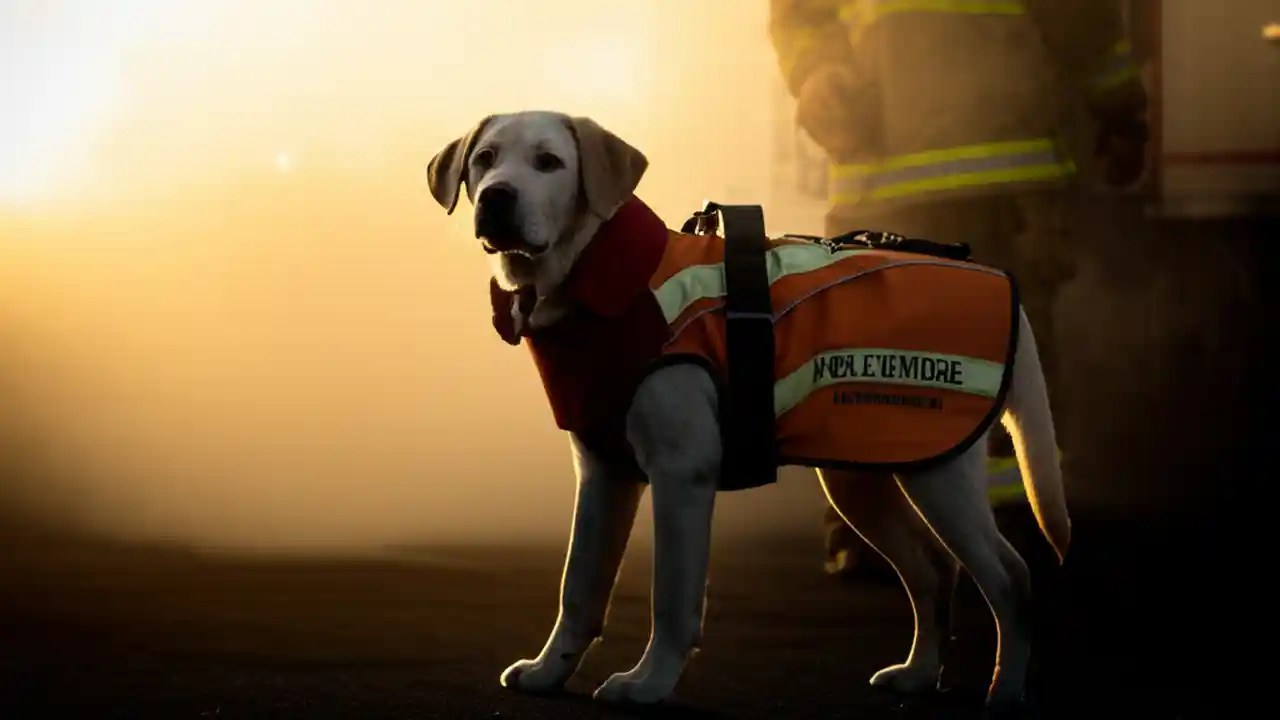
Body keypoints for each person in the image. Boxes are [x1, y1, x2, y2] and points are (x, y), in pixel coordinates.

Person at [768, 0, 1149, 579]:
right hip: (955, 172)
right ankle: (910, 523)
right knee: (977, 352)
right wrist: (818, 73)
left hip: (940, 176)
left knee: (918, 352)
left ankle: (978, 524)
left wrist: (1117, 103)